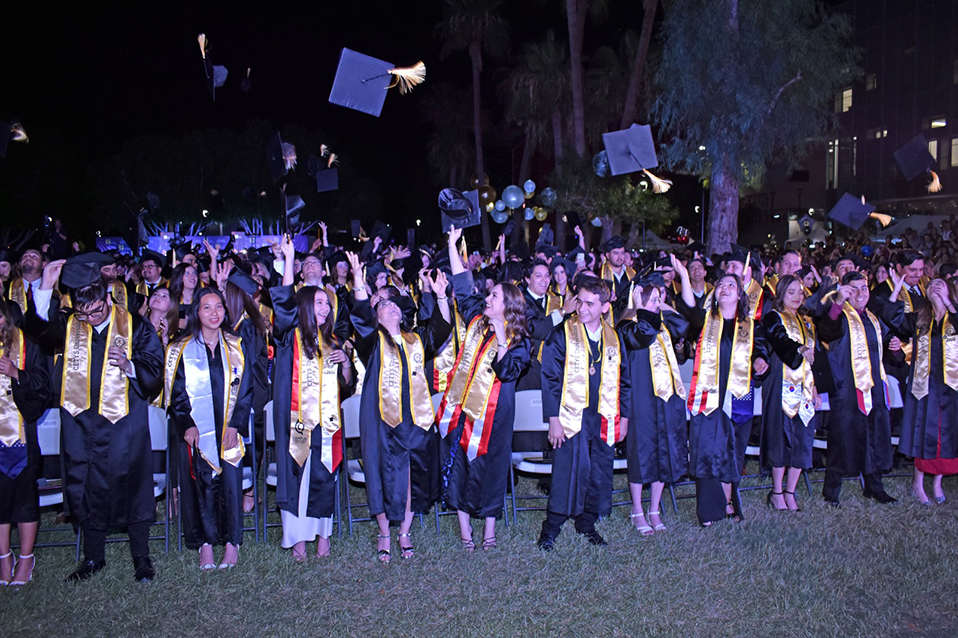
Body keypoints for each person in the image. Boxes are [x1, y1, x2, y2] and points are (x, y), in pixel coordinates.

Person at [25, 256, 164, 583]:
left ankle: (141, 557)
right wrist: (46, 283)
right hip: (80, 425)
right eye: (83, 312)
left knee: (133, 486)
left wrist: (130, 365)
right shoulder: (71, 324)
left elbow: (155, 373)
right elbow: (39, 329)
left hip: (124, 425)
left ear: (107, 296)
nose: (90, 317)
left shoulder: (135, 325)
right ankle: (93, 558)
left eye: (96, 310)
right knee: (84, 487)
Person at [346, 251, 451, 563]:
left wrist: (441, 295)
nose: (389, 307)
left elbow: (441, 329)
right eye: (383, 306)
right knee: (379, 472)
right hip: (379, 416)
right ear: (377, 317)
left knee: (408, 474)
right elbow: (361, 318)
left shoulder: (416, 339)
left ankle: (404, 531)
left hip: (414, 418)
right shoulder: (372, 341)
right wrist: (357, 280)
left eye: (393, 304)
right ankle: (384, 532)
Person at [439, 227, 531, 551]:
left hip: (498, 417)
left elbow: (507, 372)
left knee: (493, 468)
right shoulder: (477, 321)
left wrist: (503, 337)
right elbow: (463, 285)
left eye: (493, 296)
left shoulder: (520, 342)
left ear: (507, 306)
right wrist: (452, 244)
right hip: (465, 409)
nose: (486, 297)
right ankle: (465, 530)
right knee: (462, 463)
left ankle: (489, 530)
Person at [271, 238, 354, 561]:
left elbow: (346, 385)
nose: (325, 308)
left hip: (327, 420)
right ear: (304, 306)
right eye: (318, 303)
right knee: (297, 476)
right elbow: (282, 310)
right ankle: (297, 538)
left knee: (323, 473)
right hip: (296, 420)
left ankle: (322, 534)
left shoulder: (332, 340)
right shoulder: (288, 336)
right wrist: (289, 262)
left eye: (327, 304)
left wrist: (344, 362)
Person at [537, 278, 631, 550]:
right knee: (567, 471)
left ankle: (587, 523)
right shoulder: (561, 333)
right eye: (580, 301)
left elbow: (624, 381)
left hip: (603, 415)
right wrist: (553, 419)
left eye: (590, 303)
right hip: (570, 416)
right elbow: (550, 379)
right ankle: (551, 529)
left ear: (605, 306)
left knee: (598, 471)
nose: (583, 308)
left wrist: (623, 419)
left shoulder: (614, 336)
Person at [165, 287, 252, 570]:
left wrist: (235, 424)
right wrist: (187, 424)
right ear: (196, 313)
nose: (214, 313)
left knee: (229, 484)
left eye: (219, 307)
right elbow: (176, 392)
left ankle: (231, 542)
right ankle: (204, 542)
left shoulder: (237, 346)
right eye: (206, 308)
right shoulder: (180, 348)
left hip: (229, 429)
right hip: (195, 431)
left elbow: (247, 390)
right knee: (197, 484)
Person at [683, 271, 769, 526]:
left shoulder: (751, 326)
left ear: (740, 295)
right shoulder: (705, 321)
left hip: (738, 396)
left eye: (731, 285)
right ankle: (709, 510)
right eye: (720, 284)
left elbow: (759, 351)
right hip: (709, 397)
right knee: (708, 450)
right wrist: (682, 277)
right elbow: (689, 309)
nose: (724, 288)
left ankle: (729, 501)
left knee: (733, 449)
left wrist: (760, 361)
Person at [816, 272, 902, 506]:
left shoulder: (873, 318)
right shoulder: (840, 315)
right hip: (847, 389)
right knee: (842, 438)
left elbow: (891, 346)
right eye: (854, 289)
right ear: (844, 291)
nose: (861, 293)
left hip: (874, 387)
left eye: (864, 288)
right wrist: (838, 302)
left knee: (874, 434)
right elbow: (827, 331)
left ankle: (874, 488)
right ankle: (831, 491)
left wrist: (895, 347)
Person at [619, 261, 690, 535]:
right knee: (641, 453)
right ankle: (637, 510)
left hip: (667, 398)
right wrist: (639, 308)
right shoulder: (628, 325)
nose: (657, 302)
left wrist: (665, 309)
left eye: (660, 297)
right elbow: (642, 337)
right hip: (641, 399)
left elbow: (683, 328)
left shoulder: (662, 324)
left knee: (663, 451)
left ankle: (654, 509)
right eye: (652, 297)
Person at [883, 275, 958, 504]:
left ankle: (936, 483)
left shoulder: (954, 317)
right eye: (932, 285)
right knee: (922, 432)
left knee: (945, 435)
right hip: (923, 385)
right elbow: (892, 318)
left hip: (950, 385)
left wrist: (948, 302)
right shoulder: (920, 318)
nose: (934, 286)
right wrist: (895, 291)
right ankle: (917, 482)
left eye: (940, 284)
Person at [0, 297, 52, 586]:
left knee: (25, 500)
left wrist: (15, 373)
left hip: (21, 437)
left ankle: (26, 558)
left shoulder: (27, 346)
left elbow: (44, 388)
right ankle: (3, 556)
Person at [760, 275, 820, 511]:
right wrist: (800, 348)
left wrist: (815, 386)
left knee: (802, 438)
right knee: (780, 437)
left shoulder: (807, 320)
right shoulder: (774, 317)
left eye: (800, 292)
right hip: (780, 382)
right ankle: (776, 492)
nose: (797, 296)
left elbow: (814, 359)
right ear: (781, 294)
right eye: (791, 292)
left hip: (805, 385)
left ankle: (790, 491)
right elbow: (780, 341)